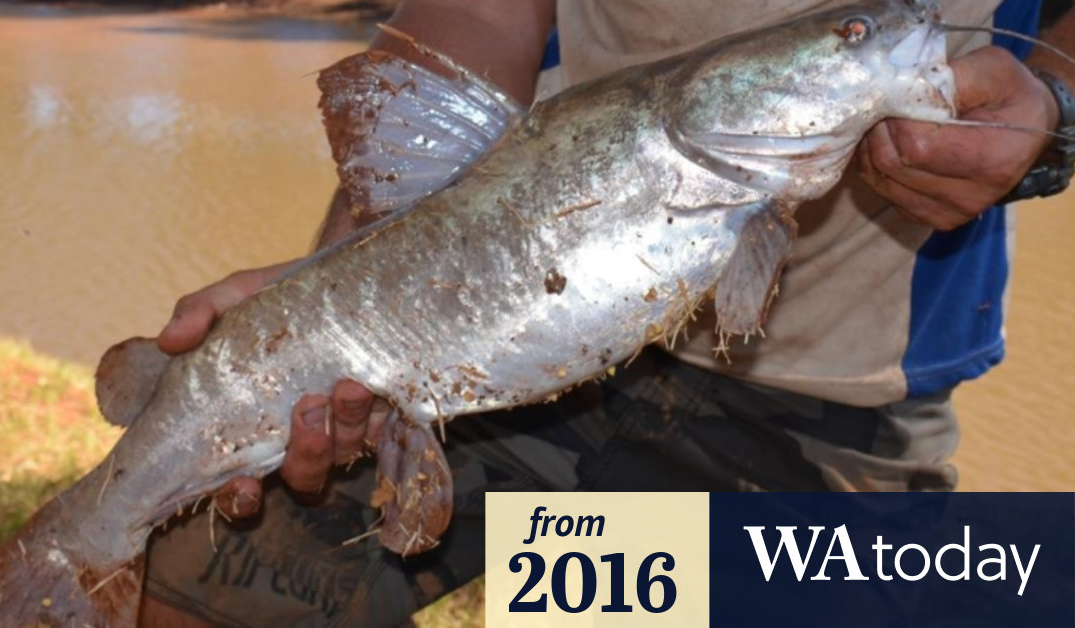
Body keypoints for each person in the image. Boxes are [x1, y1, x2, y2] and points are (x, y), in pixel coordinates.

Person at [139, 0, 1075, 625]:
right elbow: (476, 14)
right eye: (858, 33)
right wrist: (349, 289)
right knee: (201, 583)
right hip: (496, 301)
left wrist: (1057, 102)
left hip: (826, 391)